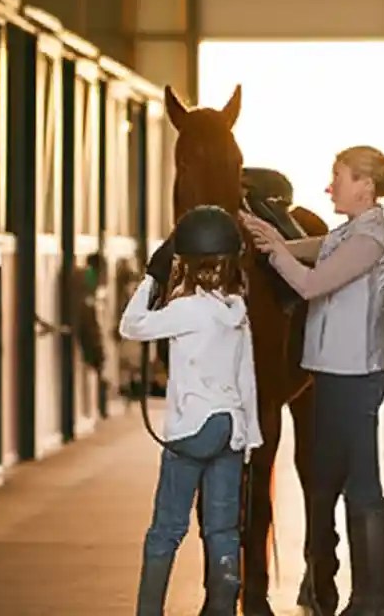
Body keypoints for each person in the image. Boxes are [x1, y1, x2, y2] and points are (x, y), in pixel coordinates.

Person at [240, 145, 384, 616]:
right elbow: (307, 249)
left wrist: (276, 253)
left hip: (354, 380)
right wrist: (264, 235)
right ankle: (348, 593)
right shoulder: (349, 233)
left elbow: (311, 283)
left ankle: (375, 602)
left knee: (363, 490)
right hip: (334, 378)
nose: (328, 185)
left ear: (364, 185)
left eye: (337, 176)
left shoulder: (369, 239)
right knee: (329, 484)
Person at [119, 205, 263, 616]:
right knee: (222, 531)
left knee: (166, 529)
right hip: (231, 427)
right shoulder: (237, 311)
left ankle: (149, 612)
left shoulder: (186, 310)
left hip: (193, 428)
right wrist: (249, 437)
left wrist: (152, 277)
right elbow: (246, 378)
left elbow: (131, 325)